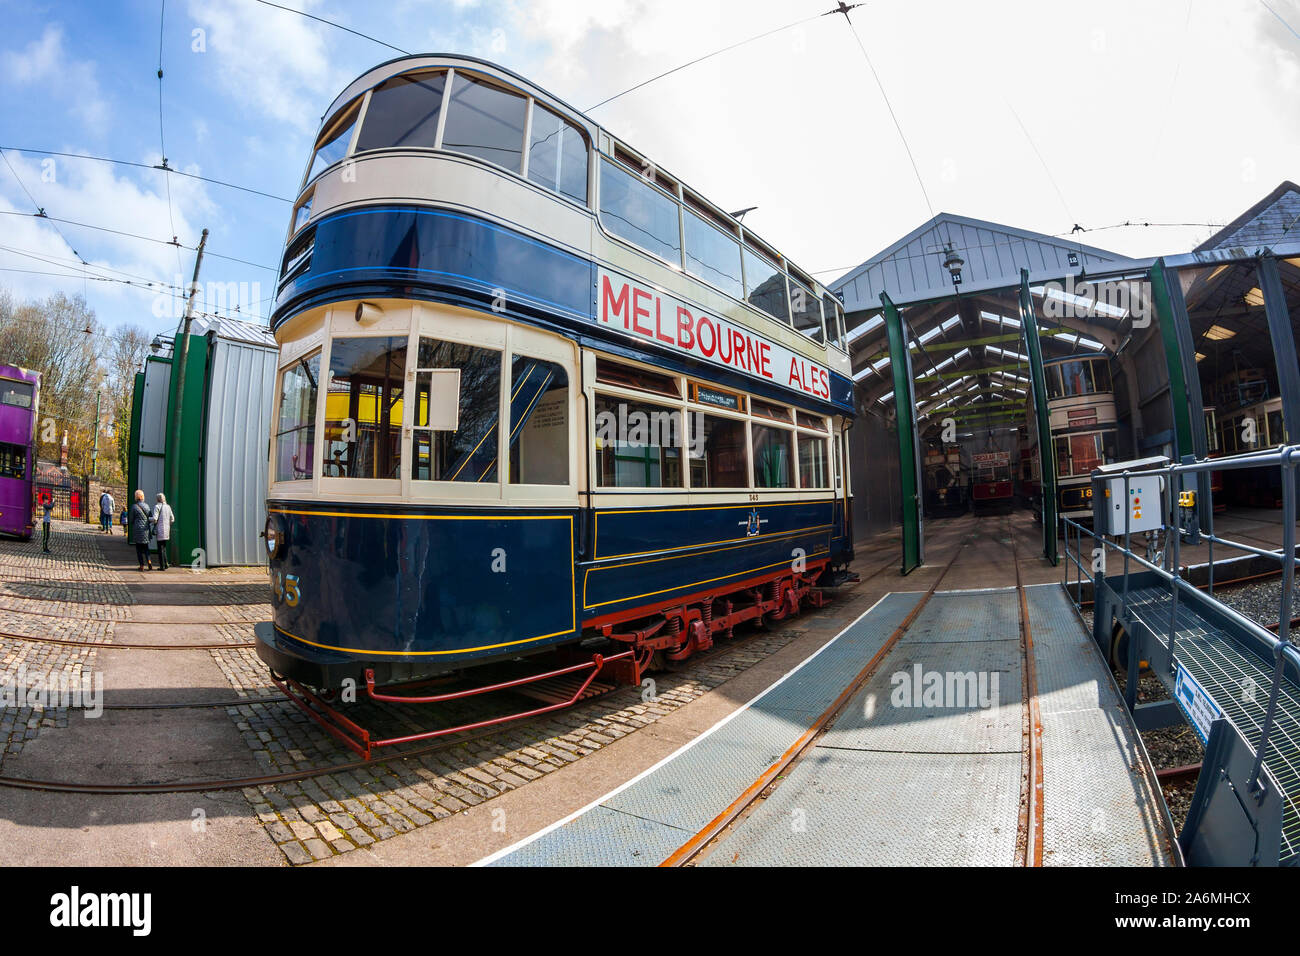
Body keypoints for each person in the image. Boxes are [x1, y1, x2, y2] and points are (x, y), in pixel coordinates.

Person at [151, 492, 175, 572]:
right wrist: (168, 524)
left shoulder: (157, 506)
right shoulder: (168, 507)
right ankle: (166, 563)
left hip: (160, 530)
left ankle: (162, 566)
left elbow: (155, 519)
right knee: (164, 548)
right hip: (166, 530)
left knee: (160, 549)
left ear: (158, 499)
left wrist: (148, 519)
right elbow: (172, 519)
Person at [130, 490, 153, 571]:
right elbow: (150, 517)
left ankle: (142, 565)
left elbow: (131, 519)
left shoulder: (134, 506)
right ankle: (149, 561)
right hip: (146, 529)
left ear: (136, 497)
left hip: (137, 530)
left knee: (139, 549)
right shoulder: (147, 506)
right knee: (146, 548)